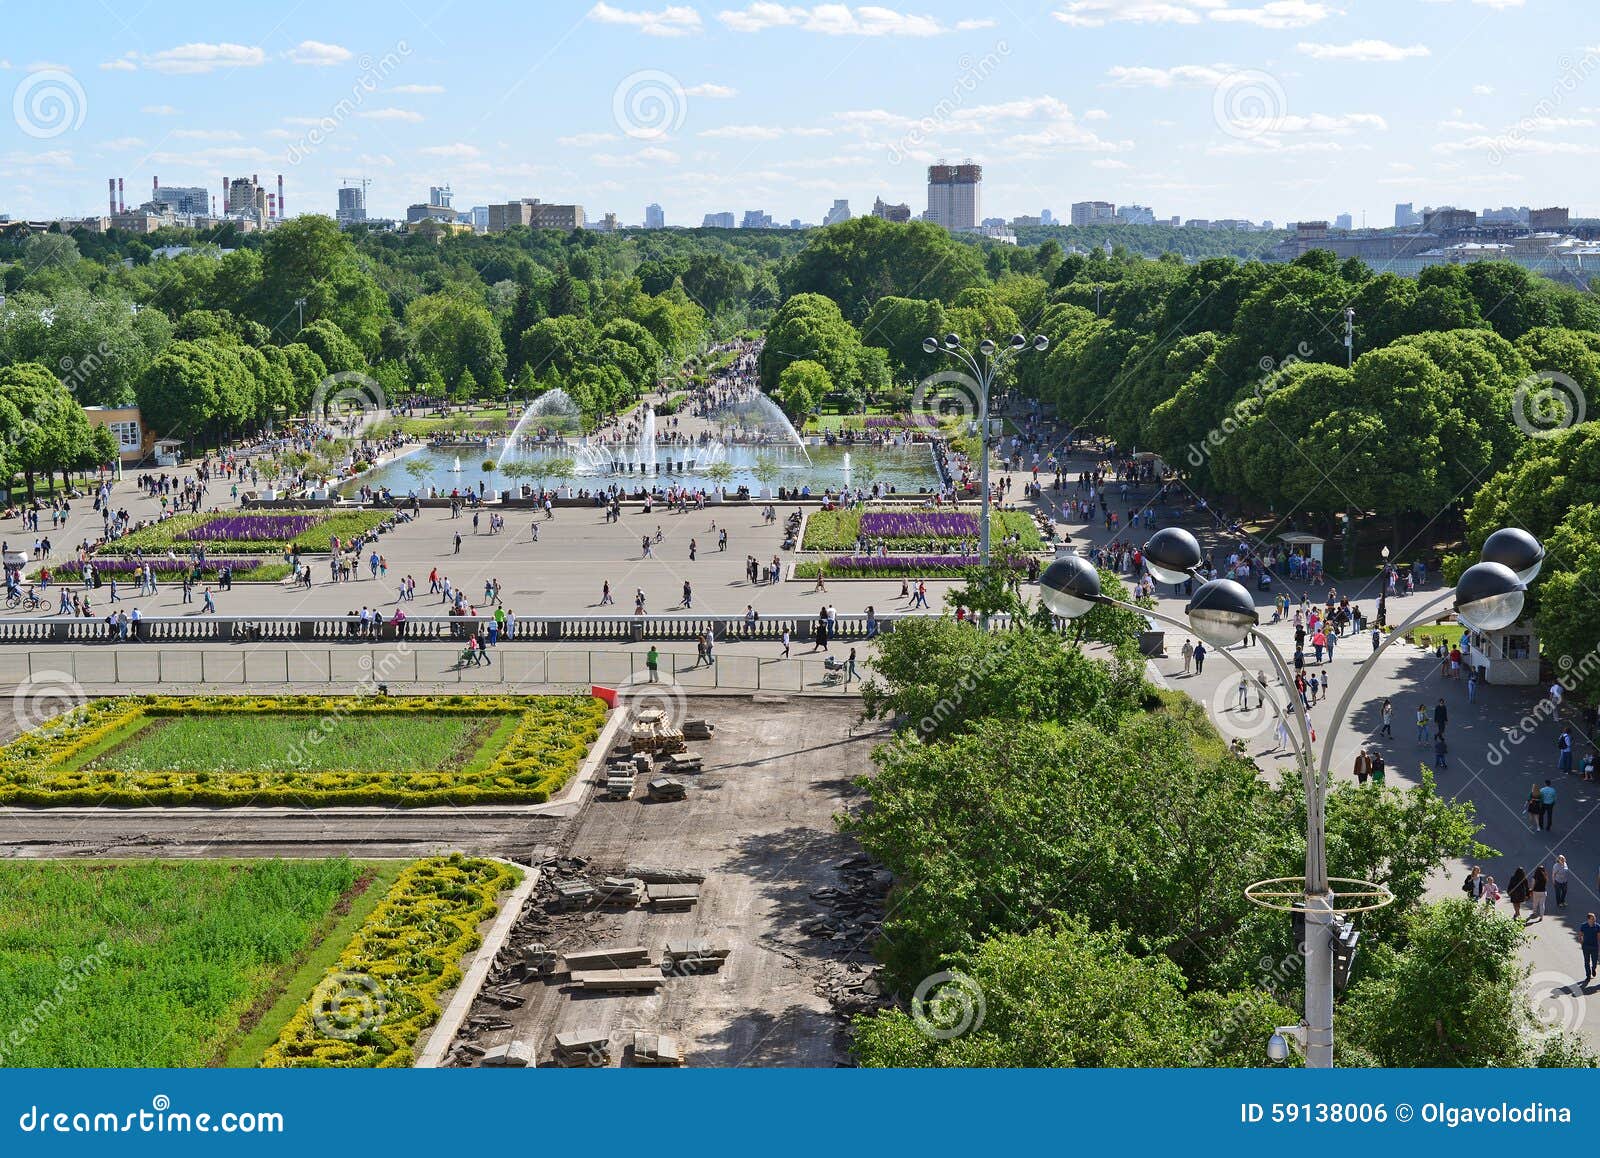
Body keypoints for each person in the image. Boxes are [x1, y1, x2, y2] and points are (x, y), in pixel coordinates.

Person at [1580, 913, 1600, 983]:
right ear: (1588, 919)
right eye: (1592, 918)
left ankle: (1593, 968)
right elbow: (1581, 935)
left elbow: (1598, 937)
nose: (1594, 919)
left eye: (1594, 918)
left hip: (1595, 947)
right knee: (1586, 961)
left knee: (1595, 962)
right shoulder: (1583, 926)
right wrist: (1582, 943)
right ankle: (1588, 975)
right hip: (1586, 947)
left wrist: (1598, 946)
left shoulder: (1597, 926)